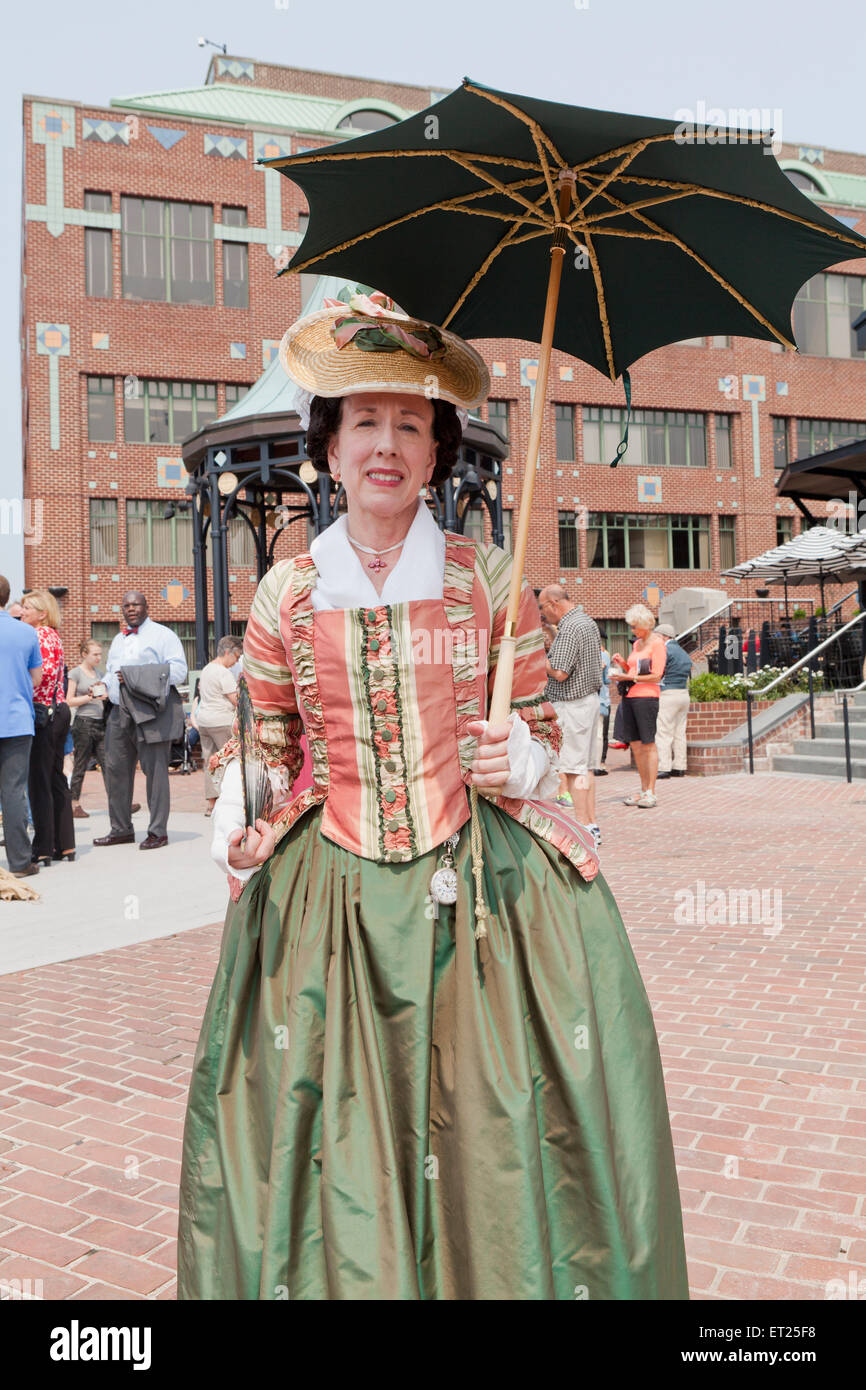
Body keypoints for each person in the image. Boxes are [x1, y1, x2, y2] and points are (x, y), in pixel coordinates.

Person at [176, 292, 688, 1301]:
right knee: (338, 1138)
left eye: (410, 424)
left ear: (434, 451)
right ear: (328, 446)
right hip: (331, 900)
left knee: (488, 1131)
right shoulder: (287, 593)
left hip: (482, 895)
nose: (385, 444)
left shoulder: (485, 578)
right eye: (363, 421)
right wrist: (237, 823)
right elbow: (269, 754)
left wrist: (519, 764)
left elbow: (541, 736)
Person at [95, 592, 187, 850]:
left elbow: (179, 672)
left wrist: (135, 676)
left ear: (146, 607)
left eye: (135, 604)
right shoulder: (118, 639)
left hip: (151, 711)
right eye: (126, 605)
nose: (130, 609)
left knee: (155, 773)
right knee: (115, 771)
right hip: (117, 709)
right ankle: (121, 829)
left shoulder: (163, 635)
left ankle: (158, 831)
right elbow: (114, 673)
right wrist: (102, 684)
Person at [538, 584, 603, 846]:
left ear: (553, 604)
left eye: (543, 610)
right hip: (587, 702)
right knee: (584, 768)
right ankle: (590, 823)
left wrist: (536, 659)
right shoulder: (586, 621)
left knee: (573, 769)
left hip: (572, 704)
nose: (544, 616)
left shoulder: (569, 626)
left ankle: (583, 828)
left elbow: (560, 671)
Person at [21, 589, 75, 865]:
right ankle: (65, 844)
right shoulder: (54, 635)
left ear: (42, 613)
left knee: (38, 781)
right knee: (55, 779)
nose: (22, 611)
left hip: (43, 714)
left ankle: (41, 847)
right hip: (59, 711)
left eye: (28, 607)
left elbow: (38, 679)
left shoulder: (38, 636)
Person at [0, 574, 43, 877]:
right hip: (15, 721)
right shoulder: (26, 633)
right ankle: (19, 863)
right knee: (13, 792)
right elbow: (37, 678)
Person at [608, 604, 666, 809]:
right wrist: (624, 664)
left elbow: (657, 675)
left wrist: (628, 675)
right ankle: (643, 789)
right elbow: (636, 670)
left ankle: (651, 790)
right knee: (635, 744)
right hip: (631, 695)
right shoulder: (637, 644)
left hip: (647, 697)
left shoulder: (657, 644)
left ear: (645, 624)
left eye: (635, 626)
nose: (632, 630)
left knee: (648, 743)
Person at [195, 636, 242, 815]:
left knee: (210, 761)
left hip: (205, 721)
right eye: (237, 656)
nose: (236, 661)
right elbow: (235, 699)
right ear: (228, 652)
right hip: (222, 721)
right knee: (230, 761)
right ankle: (230, 801)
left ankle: (211, 804)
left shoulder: (206, 669)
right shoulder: (223, 672)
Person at [68, 639, 110, 817]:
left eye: (100, 654)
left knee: (108, 764)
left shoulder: (100, 674)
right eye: (95, 654)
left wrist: (105, 696)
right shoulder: (75, 673)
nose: (98, 658)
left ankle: (118, 802)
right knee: (81, 764)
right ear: (84, 654)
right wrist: (89, 696)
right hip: (83, 722)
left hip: (100, 722)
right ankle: (74, 804)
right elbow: (69, 700)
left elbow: (104, 697)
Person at [655, 624, 693, 779]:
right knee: (679, 732)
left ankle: (664, 767)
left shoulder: (664, 650)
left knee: (664, 731)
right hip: (683, 693)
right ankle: (680, 766)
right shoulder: (684, 652)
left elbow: (659, 671)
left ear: (665, 636)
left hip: (668, 693)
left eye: (656, 636)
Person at [594, 626, 611, 775]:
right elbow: (606, 679)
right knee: (599, 732)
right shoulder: (604, 655)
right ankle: (598, 764)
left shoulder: (583, 653)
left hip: (583, 699)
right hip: (600, 699)